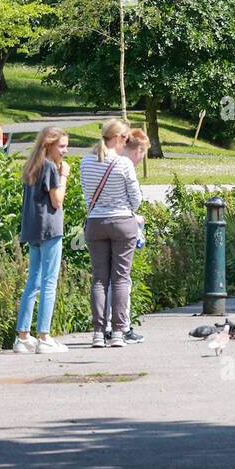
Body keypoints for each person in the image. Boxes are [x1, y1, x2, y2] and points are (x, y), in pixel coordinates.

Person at [80, 117, 143, 348]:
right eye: (125, 138)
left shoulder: (85, 162)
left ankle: (98, 332)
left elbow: (87, 195)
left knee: (99, 279)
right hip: (122, 223)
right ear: (117, 138)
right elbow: (135, 200)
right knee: (120, 279)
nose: (126, 143)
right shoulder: (123, 164)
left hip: (95, 223)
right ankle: (117, 332)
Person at [13, 126, 71, 355]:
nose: (65, 151)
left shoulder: (31, 166)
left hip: (32, 229)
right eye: (62, 146)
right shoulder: (49, 167)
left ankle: (23, 336)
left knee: (32, 282)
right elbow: (57, 201)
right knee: (49, 282)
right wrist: (64, 174)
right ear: (49, 145)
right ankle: (44, 336)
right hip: (50, 228)